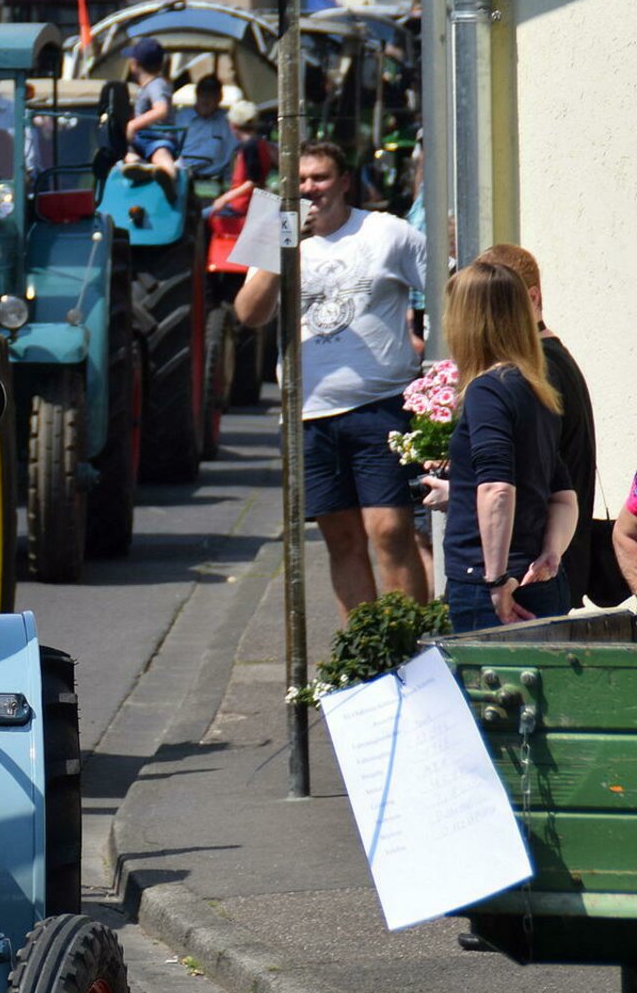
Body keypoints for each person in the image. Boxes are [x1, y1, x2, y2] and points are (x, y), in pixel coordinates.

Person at [234, 140, 429, 619]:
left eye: (319, 178)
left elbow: (445, 290)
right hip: (309, 412)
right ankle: (363, 650)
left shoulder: (386, 231)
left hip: (380, 404)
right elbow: (248, 314)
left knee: (391, 531)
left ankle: (409, 644)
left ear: (343, 182)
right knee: (340, 539)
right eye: (299, 180)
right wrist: (281, 247)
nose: (309, 188)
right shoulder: (272, 230)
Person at [420, 261, 576, 632]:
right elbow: (562, 496)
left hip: (490, 586)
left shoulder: (488, 389)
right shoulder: (537, 387)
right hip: (539, 579)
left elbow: (498, 489)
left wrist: (495, 579)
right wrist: (551, 553)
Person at [479, 243, 599, 601]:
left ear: (533, 297)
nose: (488, 317)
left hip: (535, 568)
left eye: (502, 303)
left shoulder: (539, 371)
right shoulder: (551, 362)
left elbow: (531, 477)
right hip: (549, 561)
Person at [120, 38, 178, 190]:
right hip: (141, 139)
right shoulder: (145, 87)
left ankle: (169, 178)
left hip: (158, 137)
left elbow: (161, 110)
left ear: (134, 64)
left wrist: (133, 125)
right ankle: (140, 168)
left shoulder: (157, 85)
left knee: (161, 154)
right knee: (123, 152)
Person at [174, 74, 237, 184]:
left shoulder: (228, 121)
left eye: (211, 95)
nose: (206, 99)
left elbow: (239, 150)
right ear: (197, 94)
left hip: (214, 180)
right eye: (203, 94)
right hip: (182, 175)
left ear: (219, 98)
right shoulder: (181, 117)